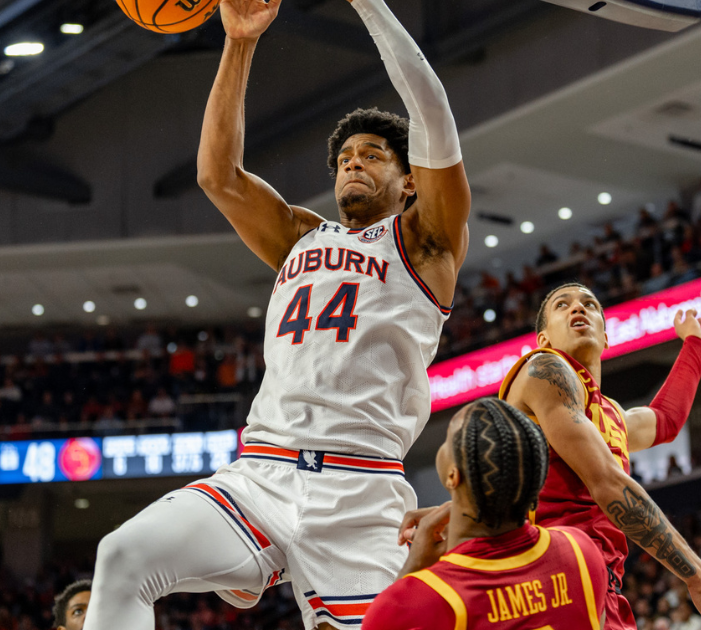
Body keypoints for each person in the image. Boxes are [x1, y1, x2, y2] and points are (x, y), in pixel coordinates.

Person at [83, 0, 471, 628]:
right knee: (122, 556)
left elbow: (430, 108)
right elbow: (219, 176)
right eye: (346, 155)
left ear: (409, 183)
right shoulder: (301, 237)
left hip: (360, 489)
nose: (353, 160)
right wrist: (239, 42)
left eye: (373, 154)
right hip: (262, 474)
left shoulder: (427, 243)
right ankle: (253, 562)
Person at [496, 284, 701, 630]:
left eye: (590, 305)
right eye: (562, 306)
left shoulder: (611, 414)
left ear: (607, 338)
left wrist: (695, 346)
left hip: (598, 583)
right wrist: (696, 572)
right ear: (544, 340)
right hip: (550, 581)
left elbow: (666, 420)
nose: (577, 309)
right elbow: (608, 483)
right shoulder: (543, 370)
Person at [365, 397, 607, 630]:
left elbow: (390, 617)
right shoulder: (581, 552)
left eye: (448, 440)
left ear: (453, 475)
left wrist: (414, 568)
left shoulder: (419, 601)